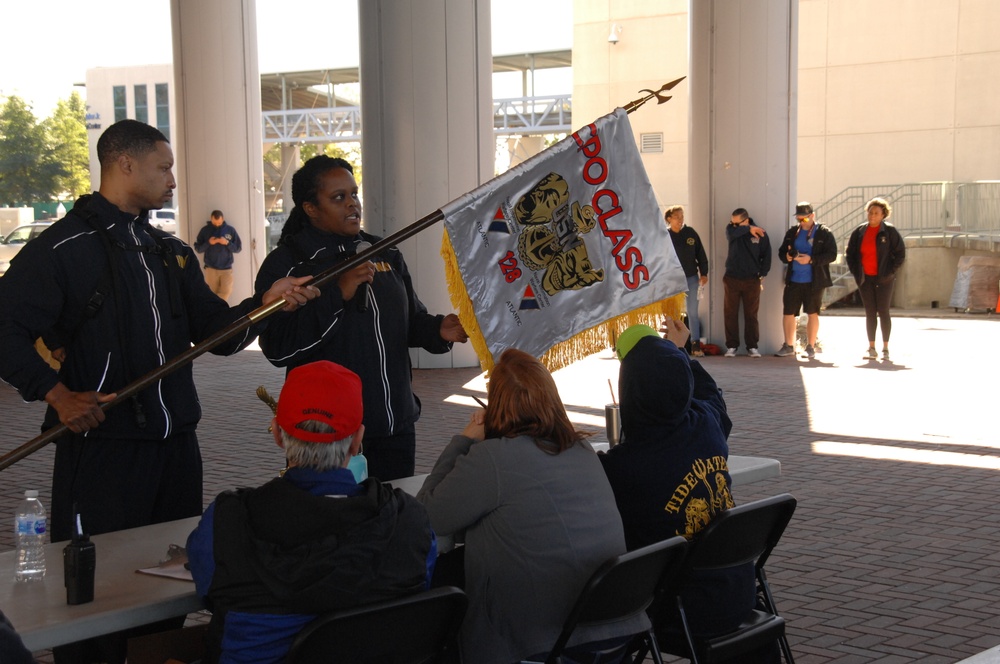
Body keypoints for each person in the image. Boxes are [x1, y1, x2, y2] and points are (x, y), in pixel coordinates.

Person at [0, 119, 317, 664]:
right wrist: (57, 395)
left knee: (169, 584)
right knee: (93, 594)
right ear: (125, 164)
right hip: (102, 450)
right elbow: (3, 327)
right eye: (164, 167)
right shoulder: (63, 247)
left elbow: (218, 336)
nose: (173, 179)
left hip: (177, 448)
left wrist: (265, 301)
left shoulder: (167, 251)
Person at [187, 360, 436, 664]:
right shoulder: (408, 525)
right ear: (358, 440)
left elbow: (209, 591)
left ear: (278, 434)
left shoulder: (227, 524)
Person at [416, 348, 647, 664]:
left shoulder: (493, 458)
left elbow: (426, 517)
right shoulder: (581, 449)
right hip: (613, 634)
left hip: (539, 644)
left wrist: (465, 439)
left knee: (433, 597)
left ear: (495, 405)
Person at [254, 155, 467, 481]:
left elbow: (410, 321)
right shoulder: (289, 264)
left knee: (391, 519)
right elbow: (278, 348)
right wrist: (338, 293)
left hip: (393, 425)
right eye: (338, 197)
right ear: (311, 208)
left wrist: (438, 330)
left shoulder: (384, 251)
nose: (352, 204)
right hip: (329, 434)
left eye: (354, 194)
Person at [601, 322, 776, 662]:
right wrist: (682, 353)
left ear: (630, 393)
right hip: (739, 595)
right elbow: (711, 395)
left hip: (682, 609)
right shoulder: (707, 426)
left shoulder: (622, 468)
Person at [845, 197, 906, 361]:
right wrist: (856, 272)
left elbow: (900, 253)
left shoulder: (890, 232)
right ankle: (871, 347)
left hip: (884, 279)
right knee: (870, 312)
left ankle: (885, 348)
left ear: (883, 215)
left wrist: (890, 272)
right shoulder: (860, 232)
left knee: (883, 311)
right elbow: (850, 254)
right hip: (866, 279)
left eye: (876, 213)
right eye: (870, 212)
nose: (872, 216)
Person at [774, 202, 837, 359]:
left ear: (812, 216)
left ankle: (810, 345)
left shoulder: (824, 233)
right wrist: (787, 257)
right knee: (788, 312)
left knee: (812, 313)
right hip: (794, 279)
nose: (802, 222)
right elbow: (782, 252)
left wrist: (811, 260)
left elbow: (832, 255)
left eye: (805, 219)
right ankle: (788, 345)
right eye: (799, 219)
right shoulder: (792, 233)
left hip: (814, 281)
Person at [723, 208, 771, 357]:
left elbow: (766, 254)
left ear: (746, 220)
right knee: (730, 313)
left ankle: (752, 346)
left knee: (751, 314)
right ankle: (732, 346)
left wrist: (762, 273)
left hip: (752, 279)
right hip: (732, 278)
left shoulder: (760, 233)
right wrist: (749, 228)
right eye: (733, 222)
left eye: (737, 223)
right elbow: (732, 234)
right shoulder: (732, 229)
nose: (734, 225)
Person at [665, 205, 709, 356]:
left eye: (682, 216)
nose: (680, 220)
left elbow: (701, 254)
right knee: (673, 313)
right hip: (672, 280)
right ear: (669, 219)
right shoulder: (665, 235)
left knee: (692, 312)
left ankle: (695, 345)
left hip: (691, 277)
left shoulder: (690, 233)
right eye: (677, 217)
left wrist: (704, 273)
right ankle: (673, 344)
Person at [194, 209, 242, 301]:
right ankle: (215, 310)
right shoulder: (205, 230)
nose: (217, 225)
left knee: (227, 291)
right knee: (211, 293)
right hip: (211, 268)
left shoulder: (230, 230)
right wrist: (209, 243)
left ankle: (218, 306)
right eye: (214, 223)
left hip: (227, 268)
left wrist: (227, 243)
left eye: (219, 223)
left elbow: (238, 248)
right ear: (211, 219)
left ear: (222, 219)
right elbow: (198, 248)